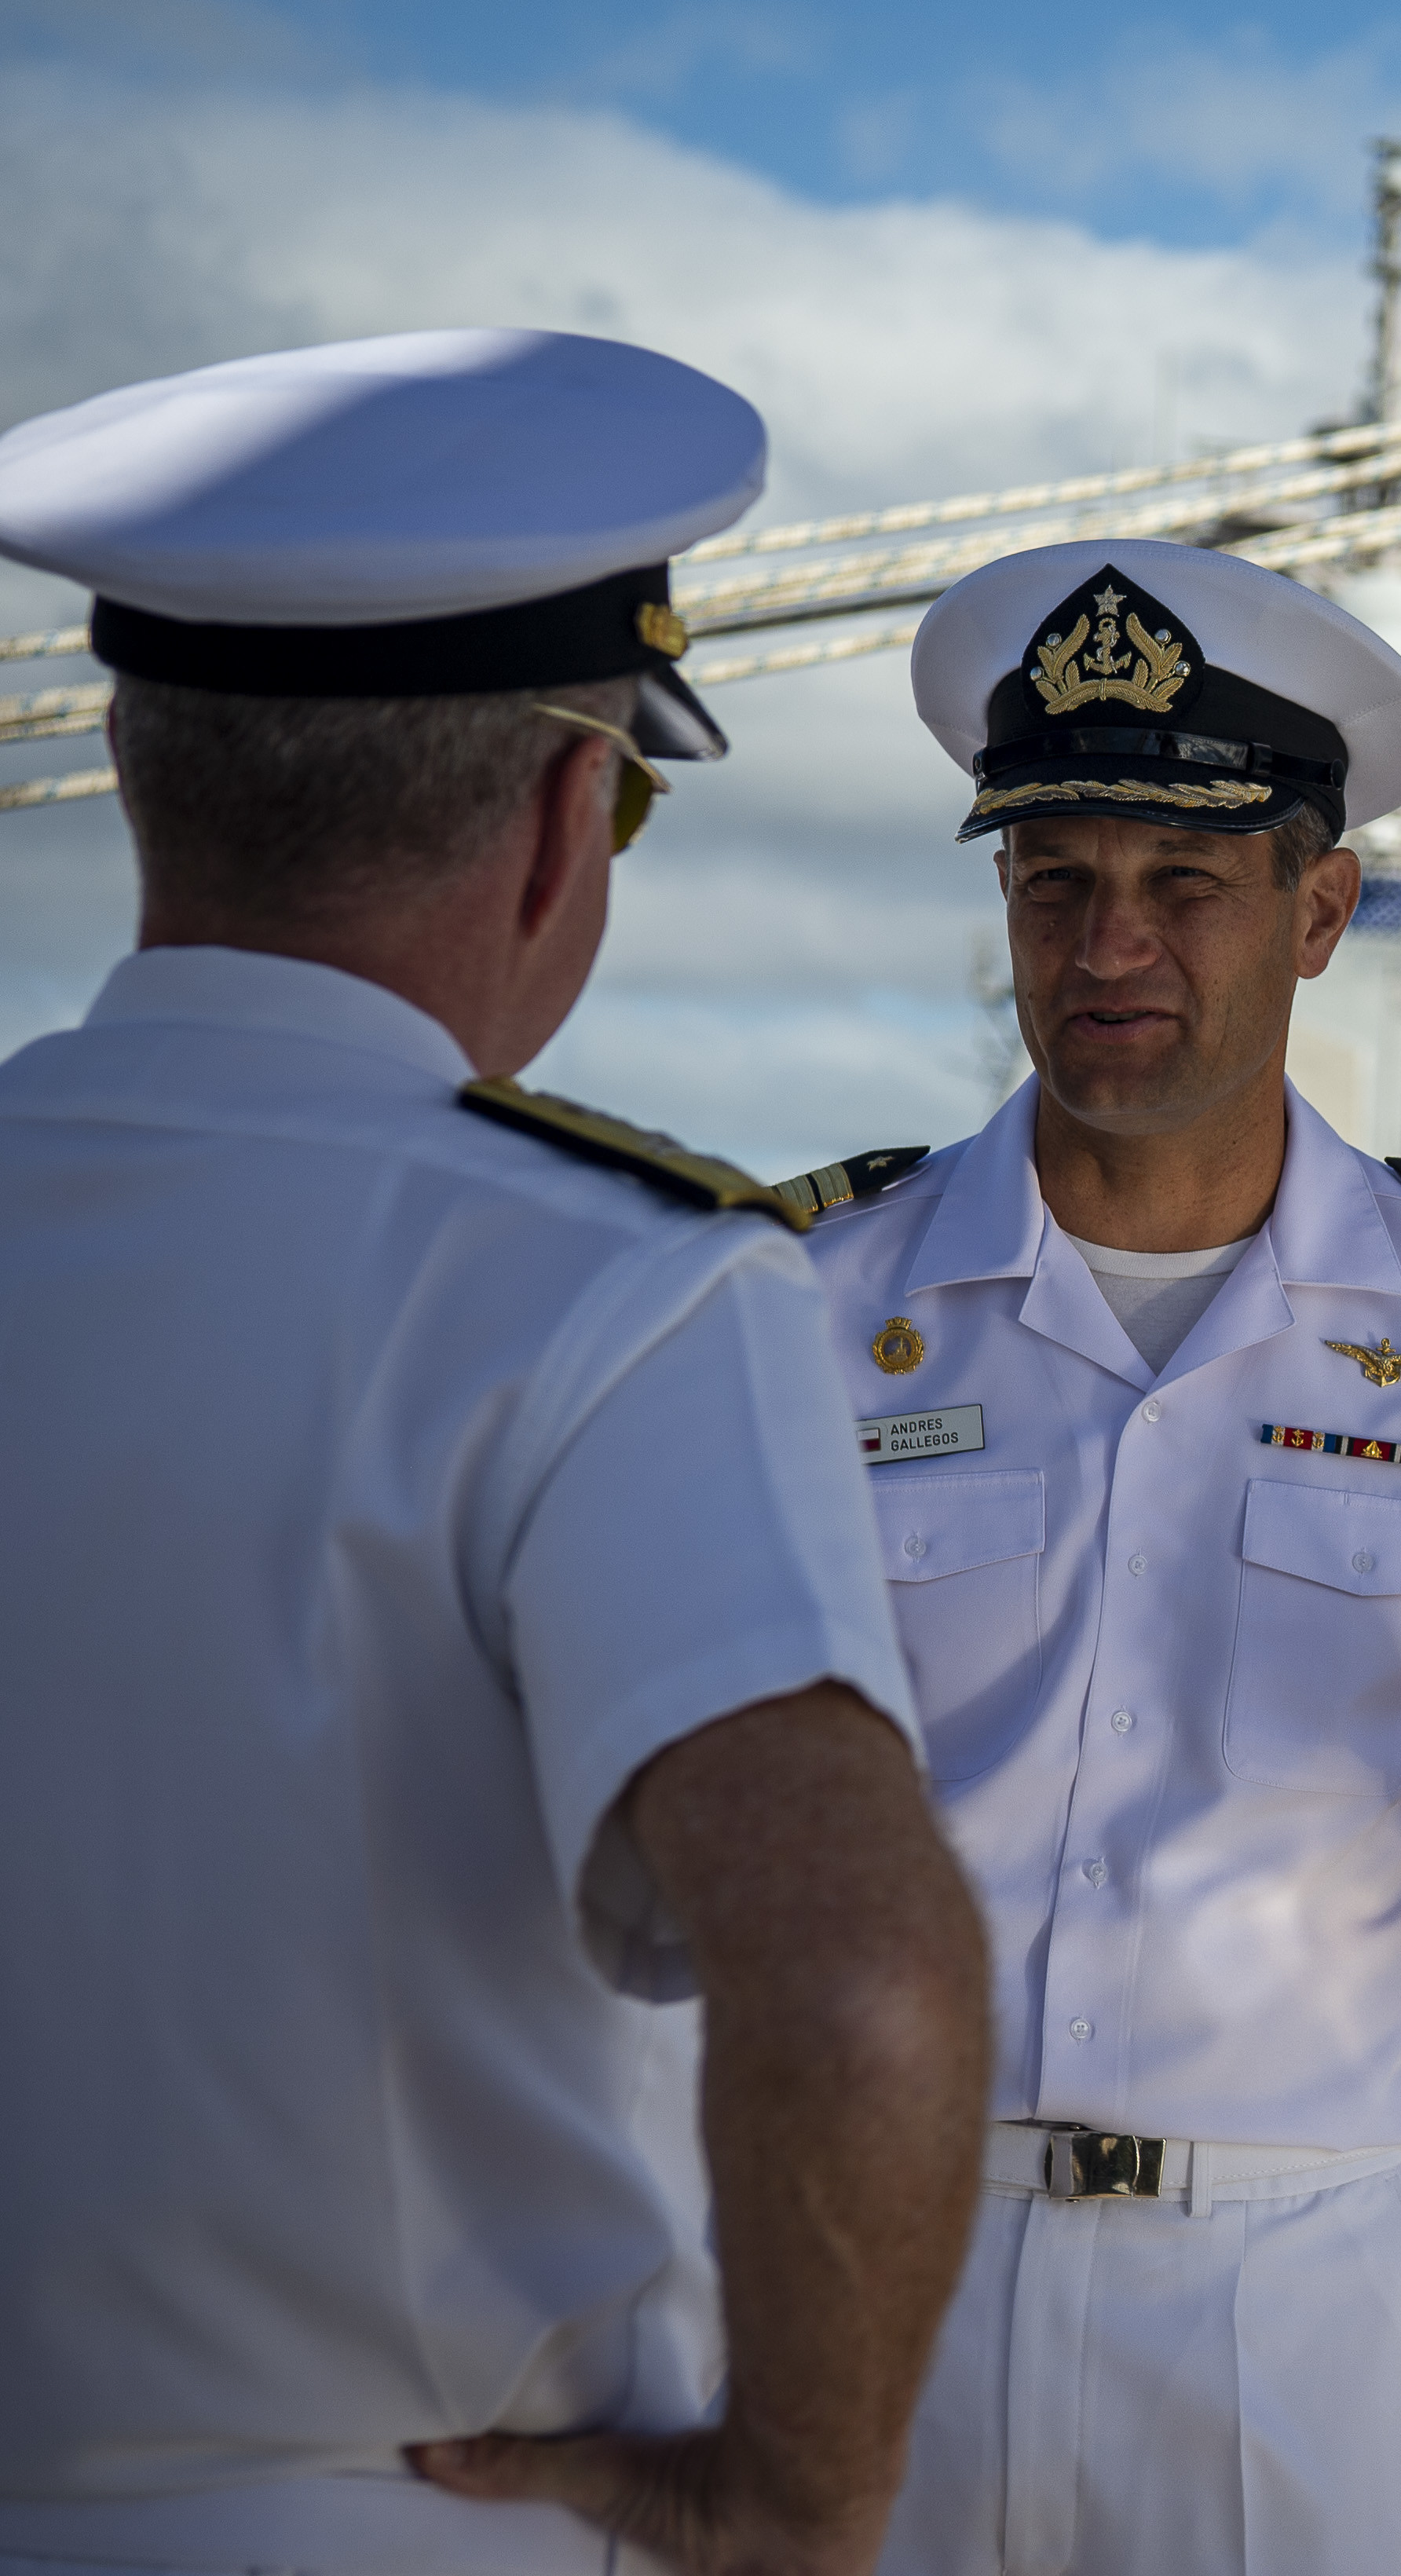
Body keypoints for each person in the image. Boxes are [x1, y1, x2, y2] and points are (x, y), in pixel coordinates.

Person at [0, 330, 993, 2576]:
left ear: (136, 762)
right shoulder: (610, 1289)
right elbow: (858, 1984)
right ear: (566, 816)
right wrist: (799, 2498)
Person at [788, 536, 1401, 2574]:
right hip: (859, 2237)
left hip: (1287, 2297)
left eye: (1184, 882)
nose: (1108, 942)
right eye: (1055, 878)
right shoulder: (800, 1301)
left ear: (1320, 912)